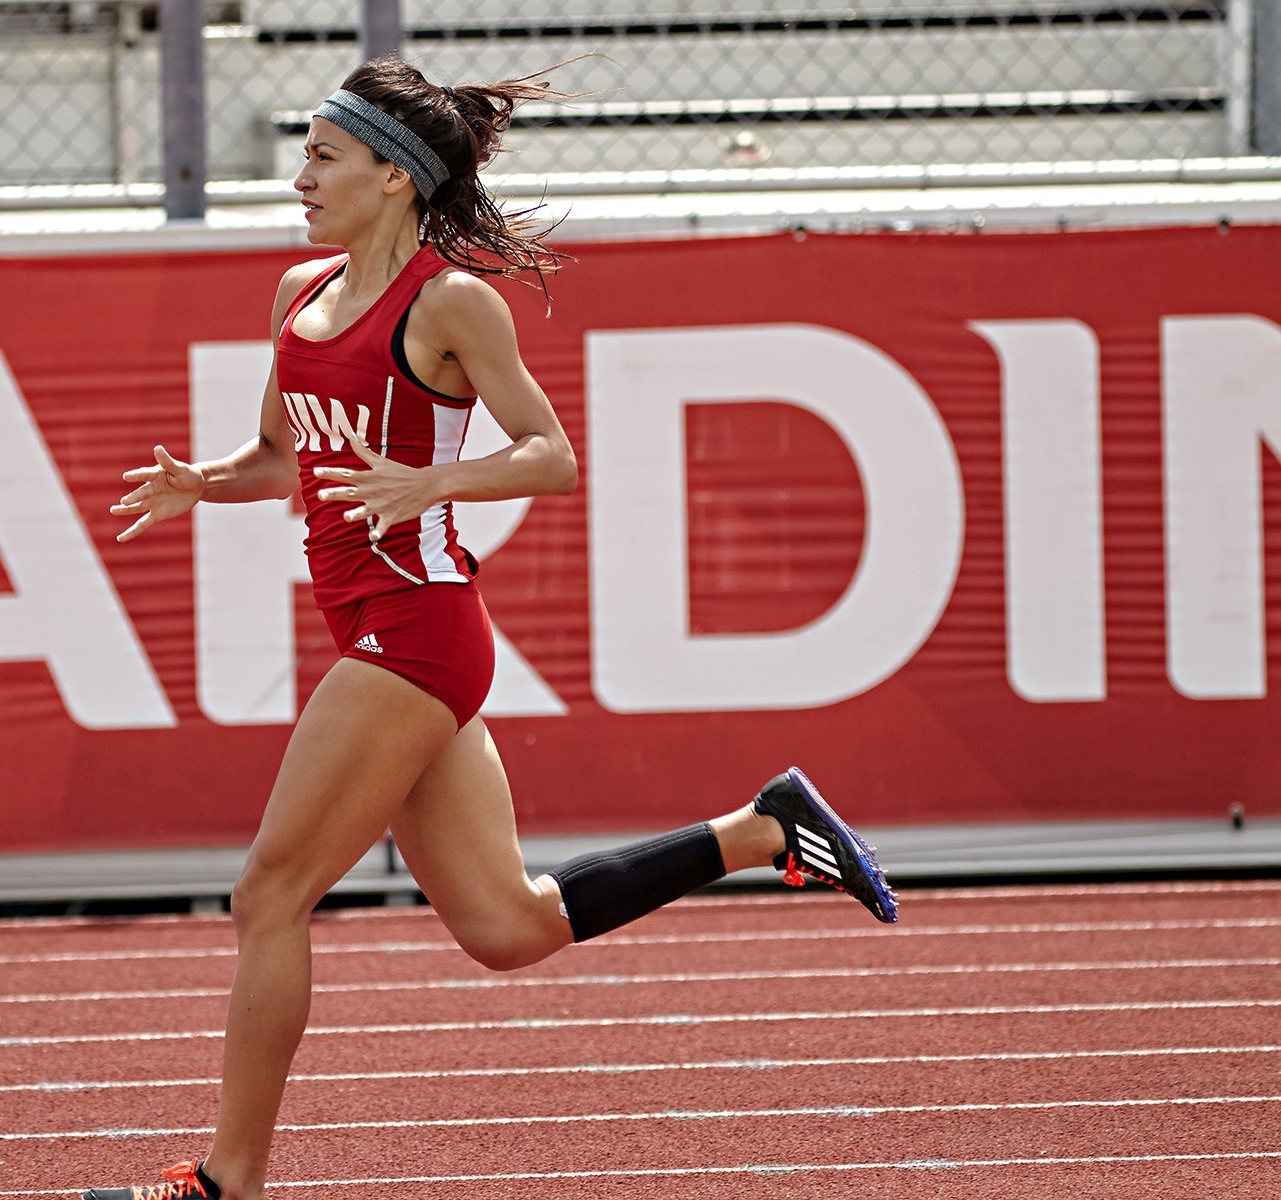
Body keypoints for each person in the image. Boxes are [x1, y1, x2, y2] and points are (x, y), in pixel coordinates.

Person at [85, 56, 898, 1200]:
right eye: (304, 155)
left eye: (324, 157)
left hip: (417, 632)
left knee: (268, 896)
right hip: (377, 634)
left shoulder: (451, 305)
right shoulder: (297, 294)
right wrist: (200, 482)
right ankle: (762, 829)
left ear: (394, 177)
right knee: (509, 927)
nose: (301, 177)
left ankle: (229, 1182)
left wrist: (432, 484)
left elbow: (552, 456)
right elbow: (278, 457)